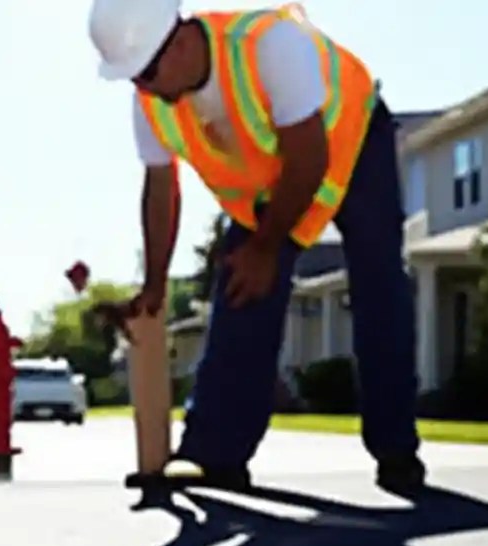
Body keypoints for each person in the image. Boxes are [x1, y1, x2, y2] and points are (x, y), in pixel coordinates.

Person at [87, 0, 426, 494]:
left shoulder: (269, 46)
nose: (143, 89)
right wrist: (155, 285)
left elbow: (310, 156)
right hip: (276, 176)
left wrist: (268, 246)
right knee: (241, 287)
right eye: (133, 79)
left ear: (180, 42)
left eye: (146, 73)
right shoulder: (153, 101)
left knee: (378, 284)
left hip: (352, 140)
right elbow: (160, 189)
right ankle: (213, 453)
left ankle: (396, 450)